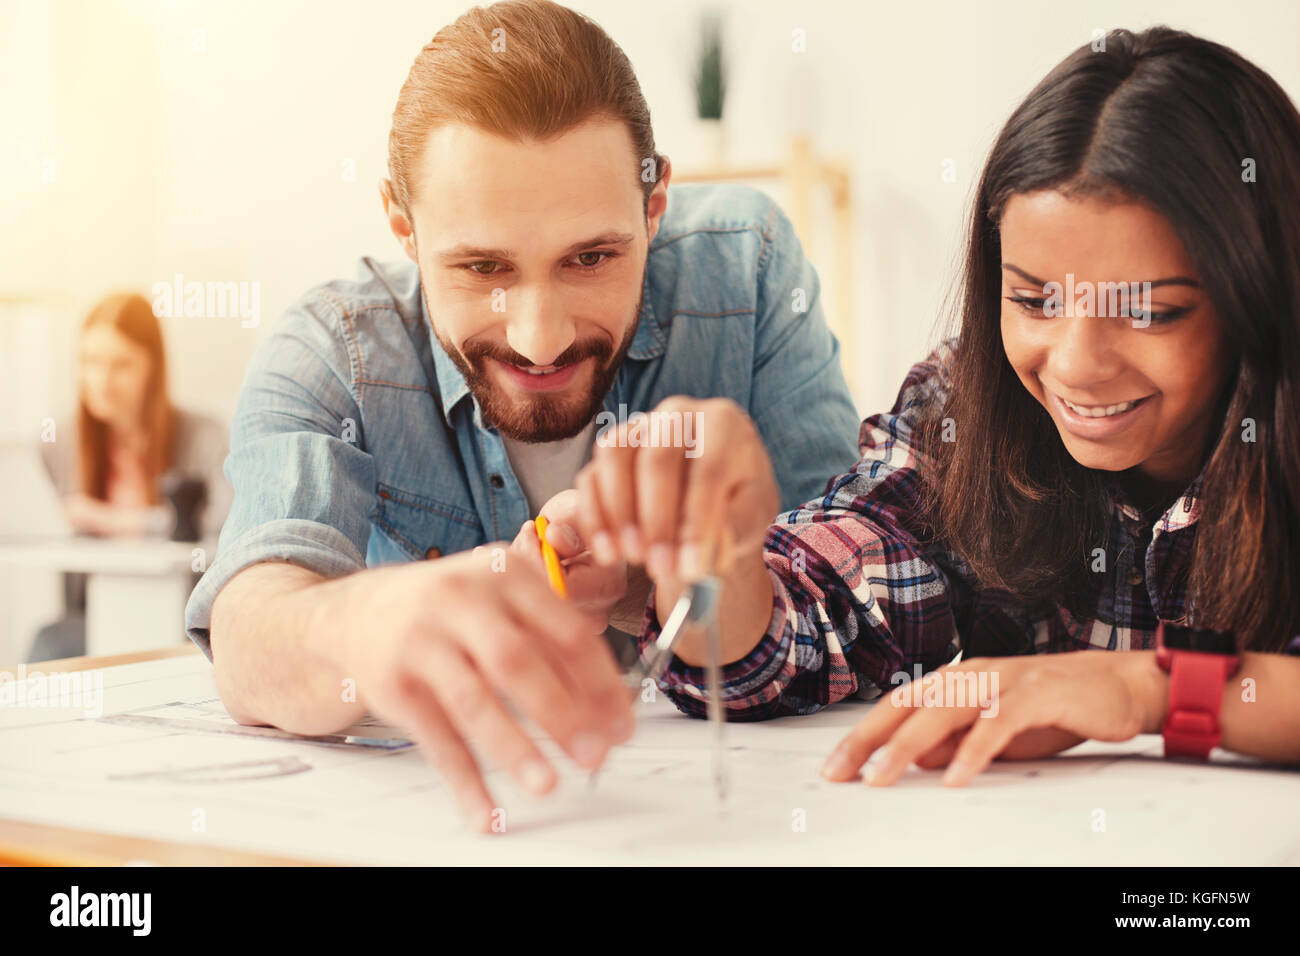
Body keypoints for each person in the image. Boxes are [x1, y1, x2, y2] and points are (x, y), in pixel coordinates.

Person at [185, 0, 860, 827]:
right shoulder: (334, 354)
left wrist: (658, 581)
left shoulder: (746, 274)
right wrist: (353, 623)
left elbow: (850, 607)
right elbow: (250, 630)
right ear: (403, 223)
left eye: (592, 258)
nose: (541, 342)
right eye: (482, 267)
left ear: (655, 208)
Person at [572, 27, 1300, 779]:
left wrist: (1150, 689)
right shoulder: (961, 406)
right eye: (1035, 299)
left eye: (1147, 312)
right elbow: (807, 621)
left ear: (1261, 291)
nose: (1079, 364)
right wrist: (714, 561)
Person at [29, 292, 230, 662]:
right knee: (48, 646)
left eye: (121, 364)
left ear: (152, 367)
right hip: (95, 616)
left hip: (184, 618)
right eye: (89, 361)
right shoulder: (59, 441)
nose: (101, 380)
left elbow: (224, 521)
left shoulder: (204, 435)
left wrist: (117, 520)